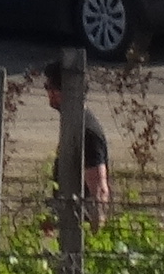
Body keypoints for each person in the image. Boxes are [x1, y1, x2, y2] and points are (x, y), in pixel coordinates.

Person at [41, 58, 111, 217]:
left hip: (81, 226)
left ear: (63, 91)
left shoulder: (87, 131)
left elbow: (99, 192)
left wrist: (95, 236)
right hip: (69, 222)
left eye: (49, 87)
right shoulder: (74, 124)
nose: (48, 93)